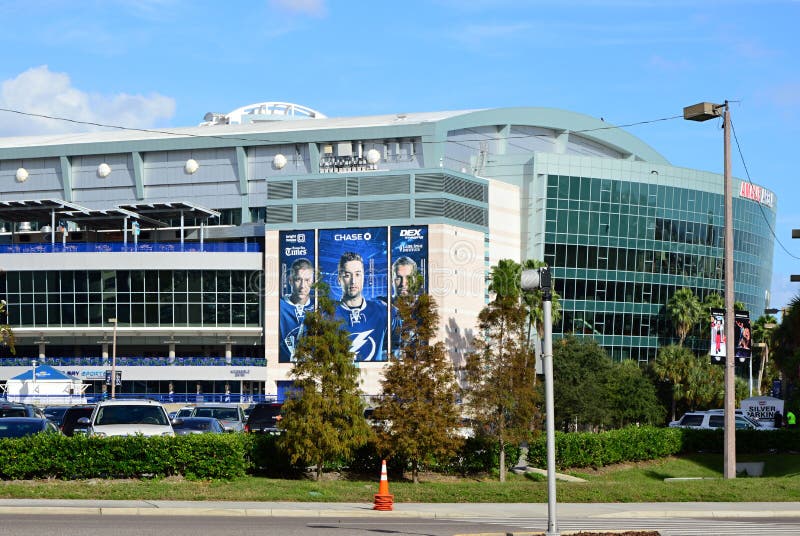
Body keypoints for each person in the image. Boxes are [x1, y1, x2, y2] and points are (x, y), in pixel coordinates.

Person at [334, 251, 397, 362]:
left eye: (357, 274)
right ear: (339, 279)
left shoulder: (384, 310)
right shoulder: (325, 315)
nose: (353, 281)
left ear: (364, 277)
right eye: (347, 275)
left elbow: (400, 345)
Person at [279, 258, 315, 362]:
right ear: (290, 281)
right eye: (298, 279)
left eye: (307, 280)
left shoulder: (318, 307)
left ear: (312, 282)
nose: (303, 286)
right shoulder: (279, 306)